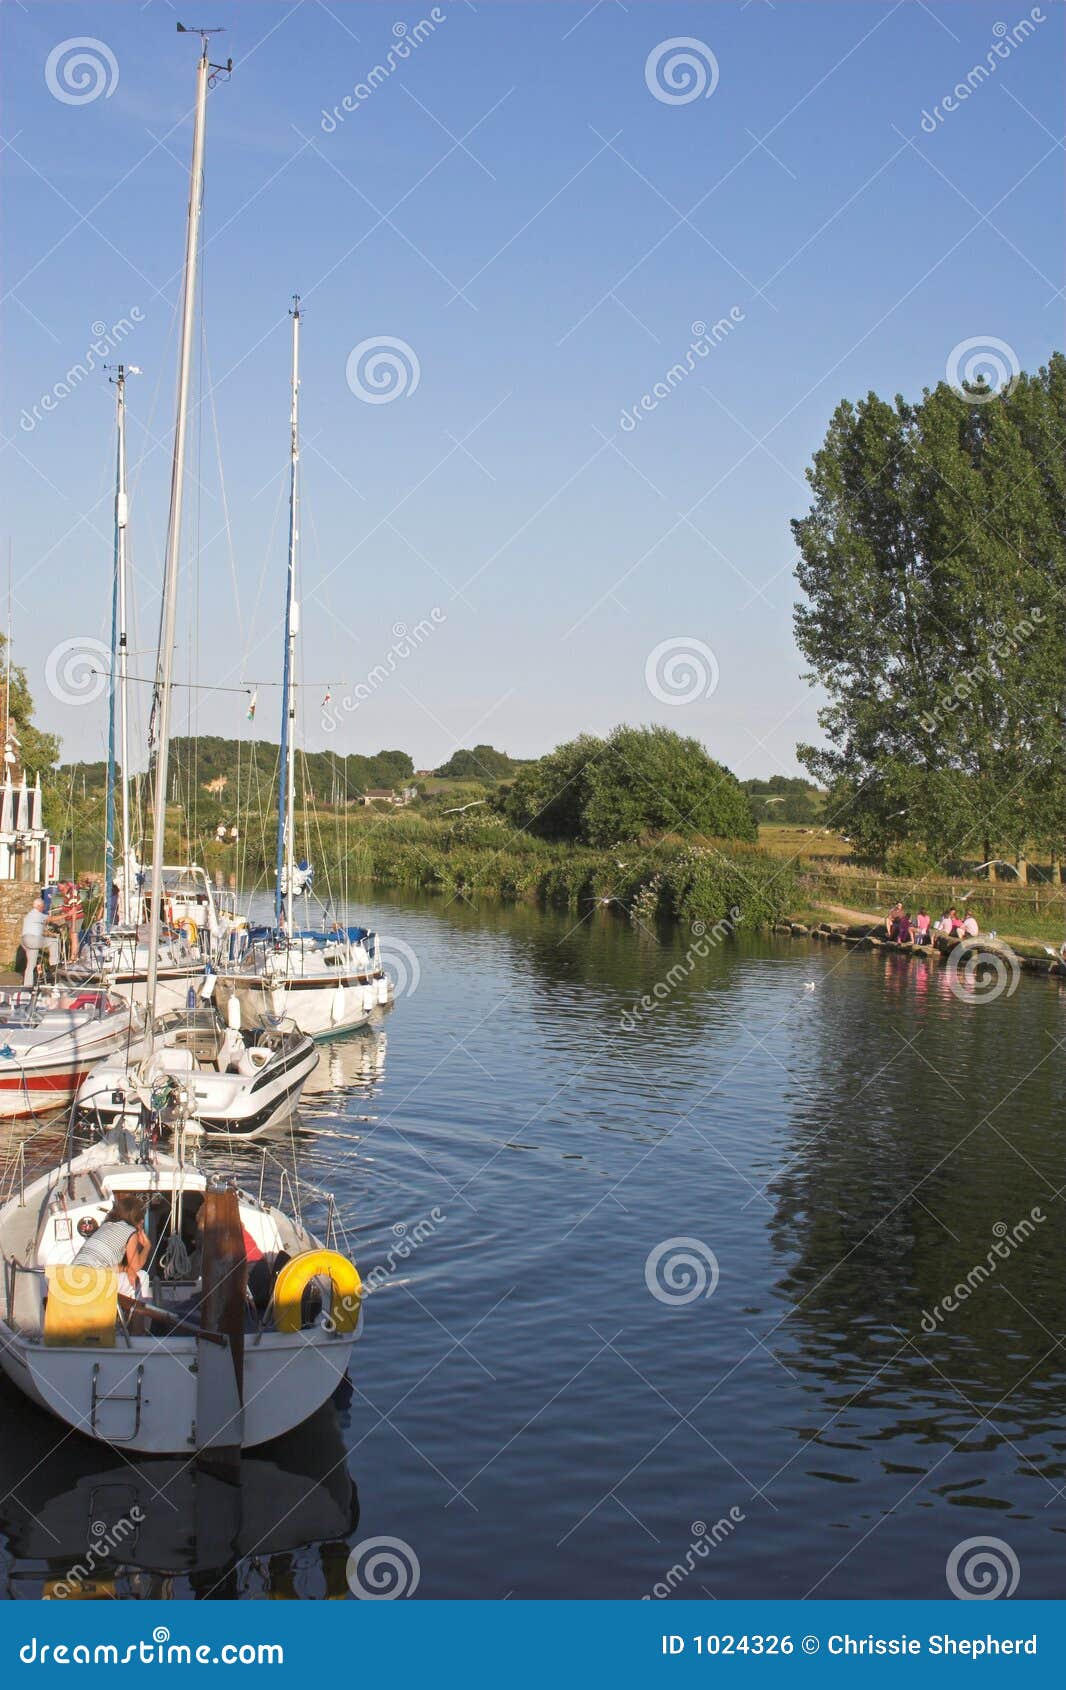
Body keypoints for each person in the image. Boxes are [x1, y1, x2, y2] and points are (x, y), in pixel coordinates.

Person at [71, 1193, 151, 1283]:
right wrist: (147, 1246)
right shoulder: (130, 1232)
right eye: (142, 1216)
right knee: (142, 1276)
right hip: (92, 1281)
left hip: (73, 1275)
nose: (143, 1220)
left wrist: (126, 1269)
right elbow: (136, 1266)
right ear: (136, 1217)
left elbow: (105, 1266)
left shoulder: (106, 1225)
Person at [20, 897, 47, 987]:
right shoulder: (37, 914)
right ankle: (28, 984)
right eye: (43, 906)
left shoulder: (30, 915)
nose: (43, 908)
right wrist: (68, 914)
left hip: (25, 940)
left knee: (32, 962)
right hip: (32, 940)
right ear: (39, 906)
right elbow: (51, 918)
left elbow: (40, 928)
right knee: (31, 964)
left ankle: (32, 980)